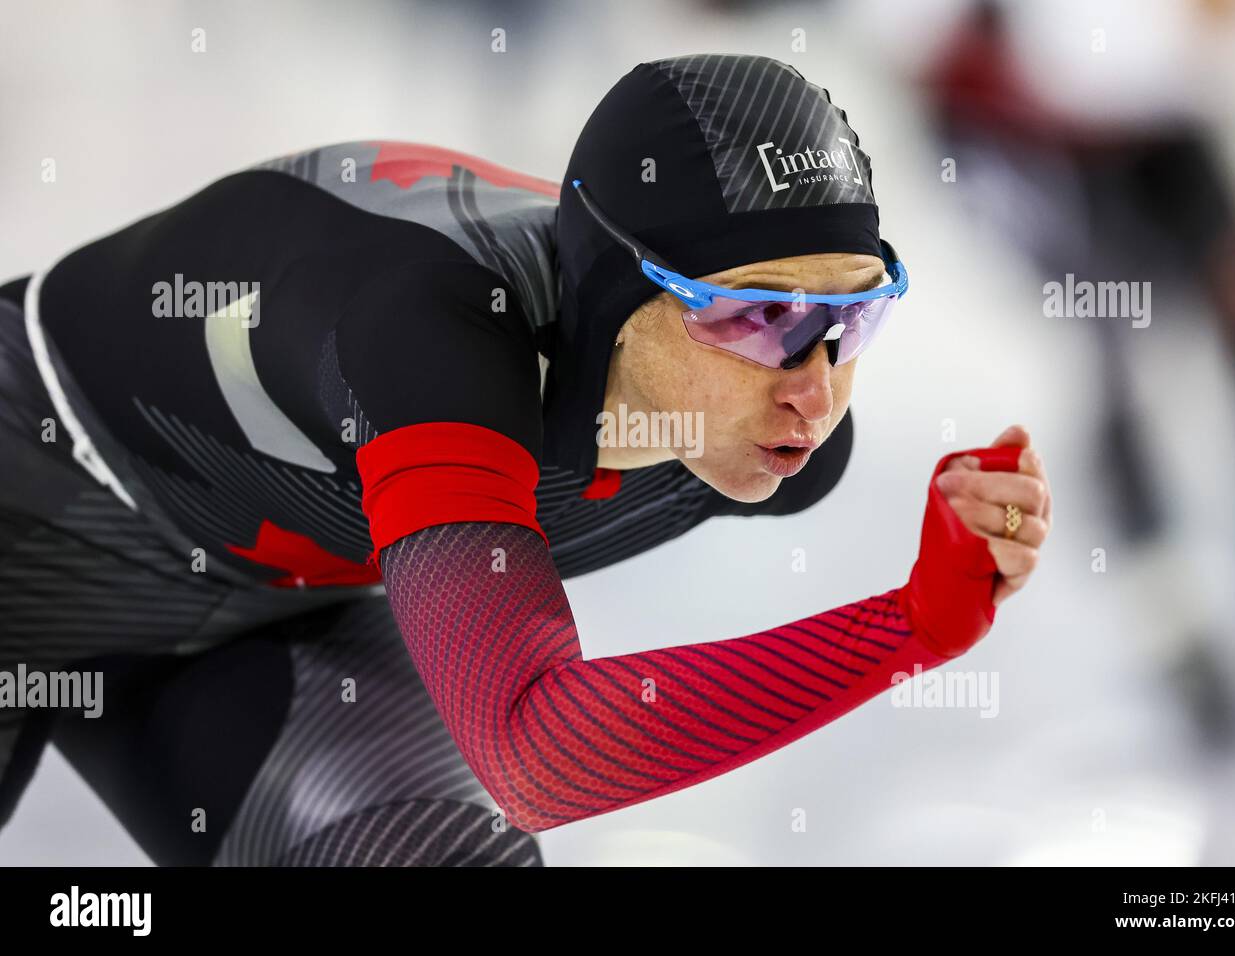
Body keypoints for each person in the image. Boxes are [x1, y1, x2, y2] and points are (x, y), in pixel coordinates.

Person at [0, 53, 1052, 865]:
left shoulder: (773, 434)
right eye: (758, 313)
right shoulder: (426, 326)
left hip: (265, 619)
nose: (814, 387)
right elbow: (533, 753)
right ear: (615, 300)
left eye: (853, 317)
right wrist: (907, 627)